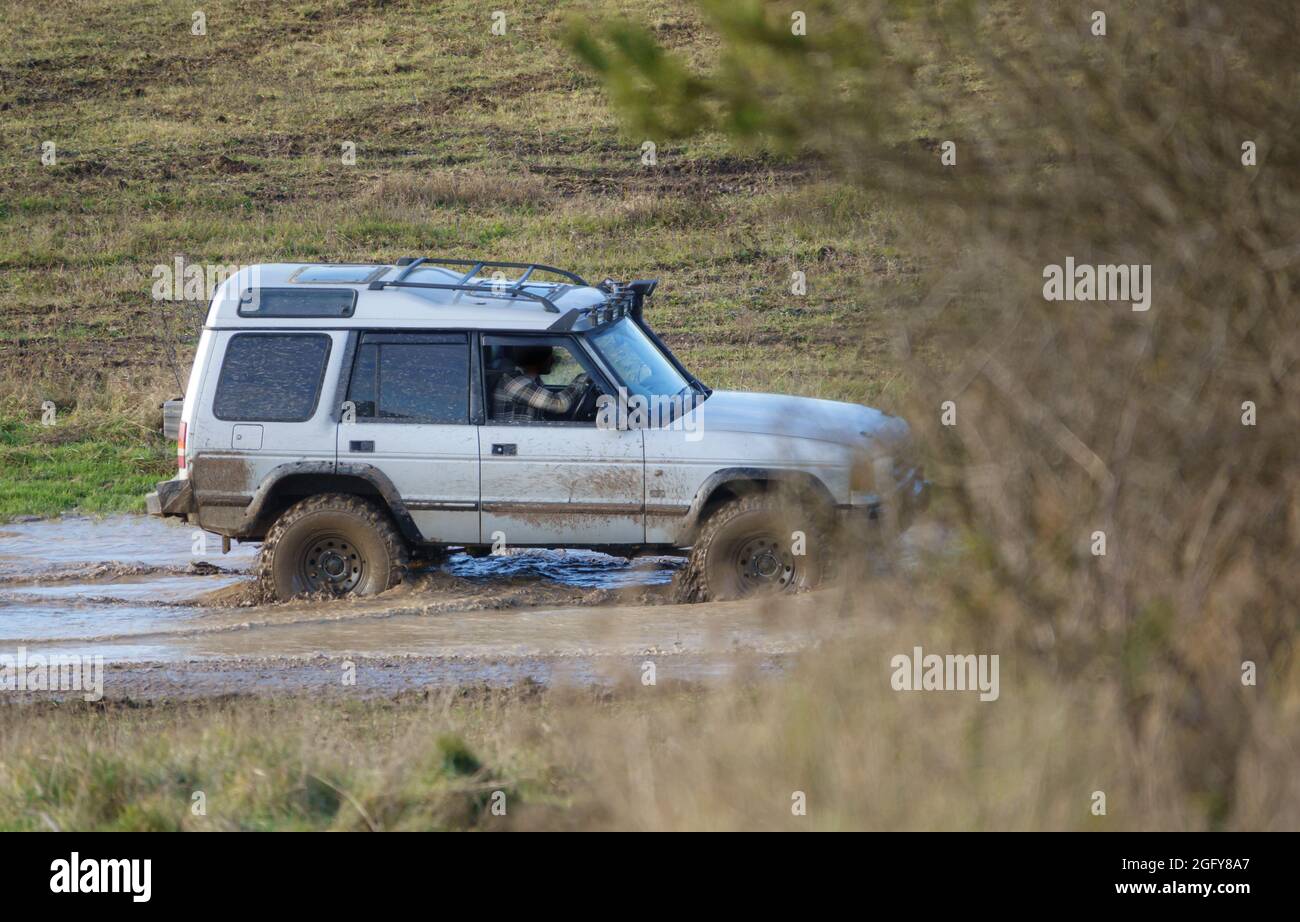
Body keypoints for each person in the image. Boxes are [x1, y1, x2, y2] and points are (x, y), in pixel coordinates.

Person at [492, 346, 593, 422]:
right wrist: (583, 378)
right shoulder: (514, 382)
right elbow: (559, 404)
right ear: (537, 359)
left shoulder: (533, 381)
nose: (553, 360)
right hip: (516, 441)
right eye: (550, 357)